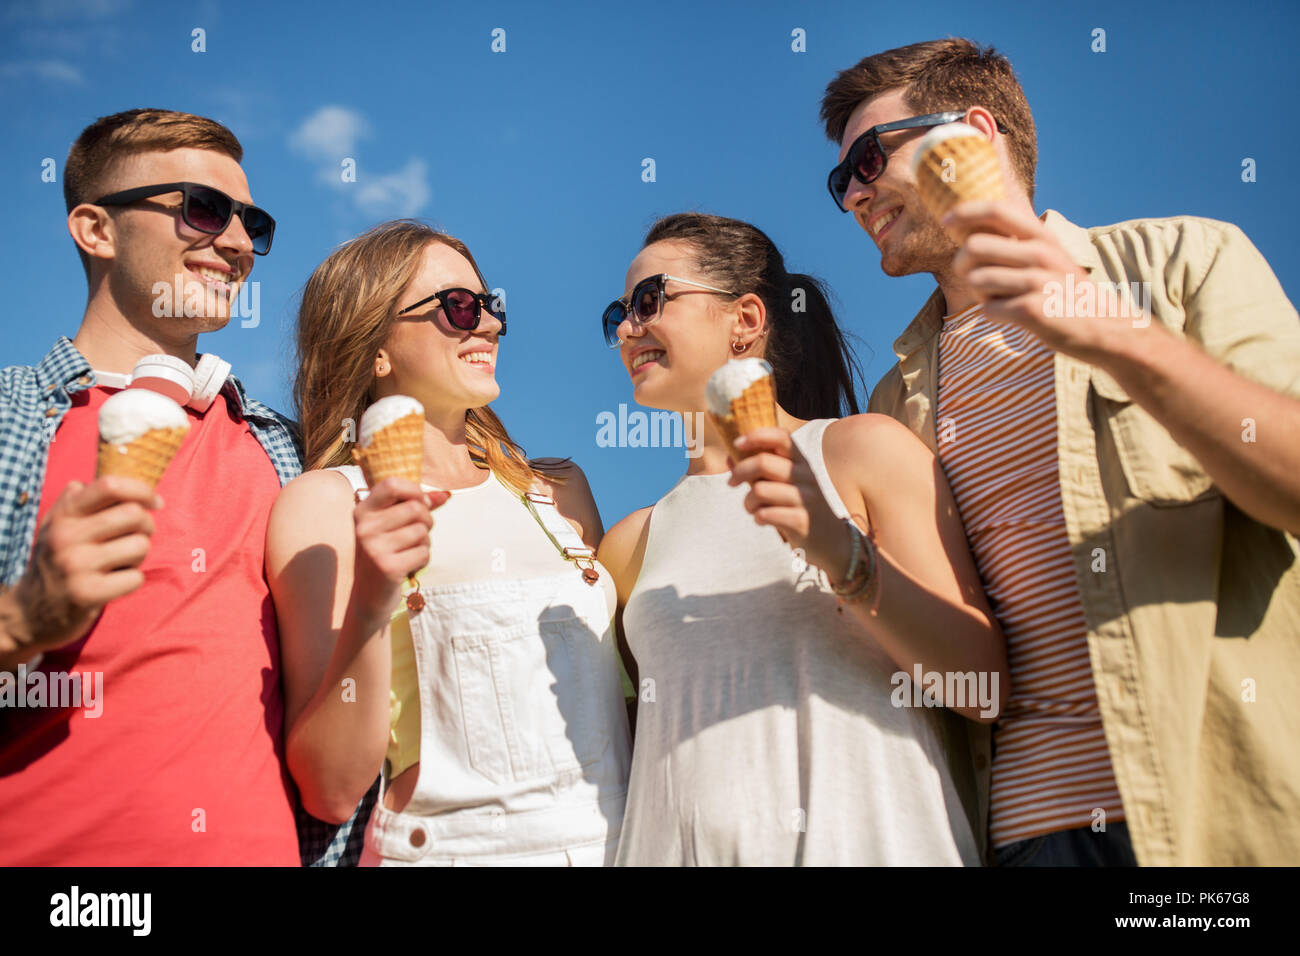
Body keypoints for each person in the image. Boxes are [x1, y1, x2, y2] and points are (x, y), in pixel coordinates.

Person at [819, 38, 1300, 866]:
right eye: (841, 183)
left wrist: (1116, 336)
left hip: (1206, 825)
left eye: (869, 159)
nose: (855, 195)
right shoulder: (893, 404)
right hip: (1016, 838)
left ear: (972, 132)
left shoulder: (1184, 263)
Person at [597, 212, 1008, 866]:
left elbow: (980, 685)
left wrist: (845, 559)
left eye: (650, 300)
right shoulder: (629, 544)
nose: (626, 327)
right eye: (618, 312)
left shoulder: (861, 451)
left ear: (748, 319)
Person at [268, 219, 631, 866]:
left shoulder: (559, 494)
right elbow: (330, 786)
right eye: (458, 308)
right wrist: (374, 598)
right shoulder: (326, 504)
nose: (488, 325)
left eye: (490, 307)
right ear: (376, 346)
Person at [0, 108, 303, 864]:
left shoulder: (286, 451)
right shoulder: (9, 416)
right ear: (96, 230)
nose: (236, 243)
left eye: (251, 222)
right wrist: (20, 621)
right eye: (202, 209)